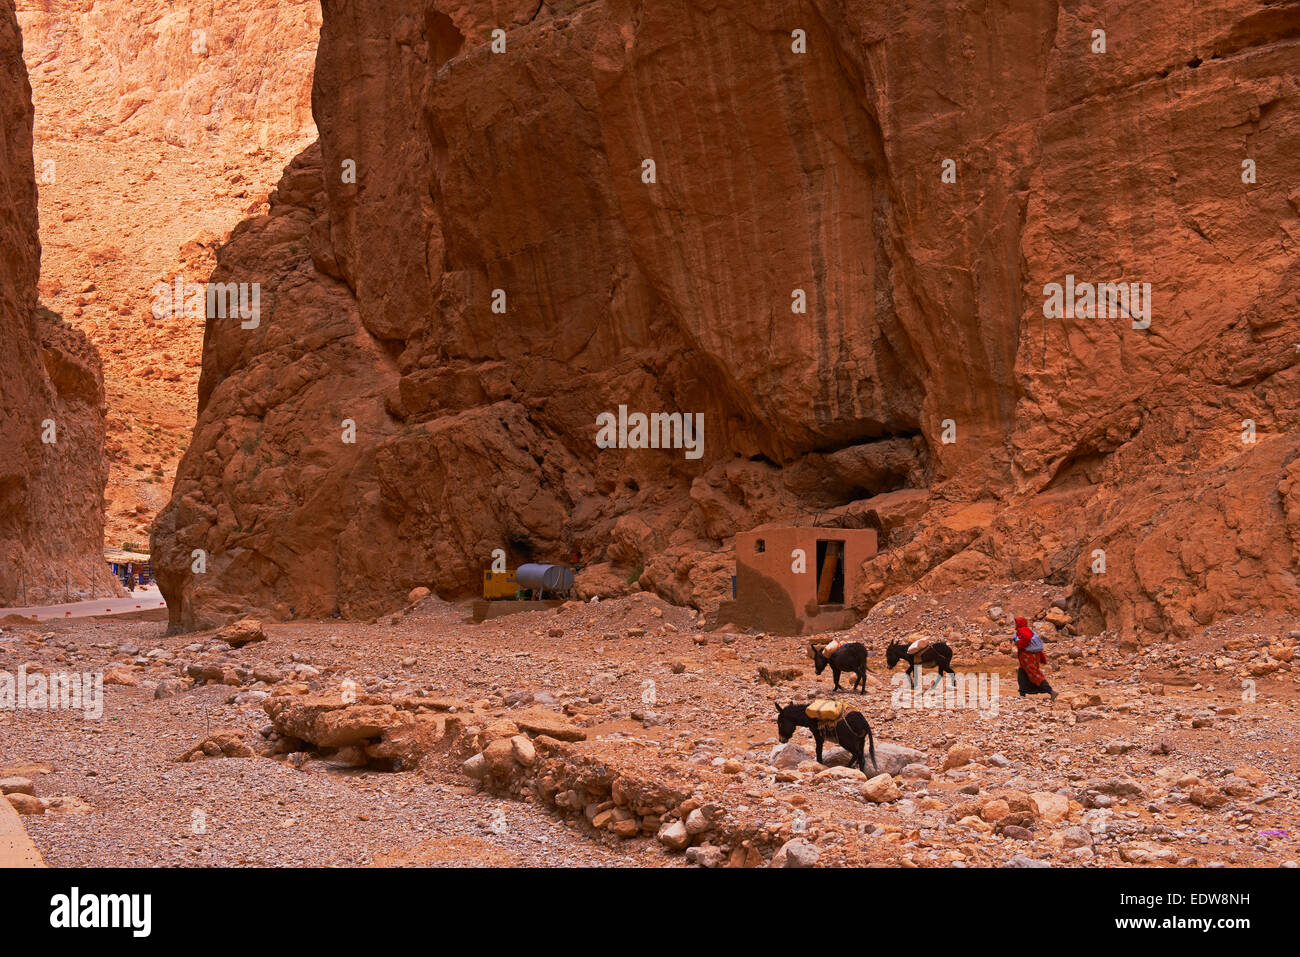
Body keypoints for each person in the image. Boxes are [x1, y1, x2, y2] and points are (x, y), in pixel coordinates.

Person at [1013, 616, 1057, 701]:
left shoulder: (1022, 630)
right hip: (1030, 657)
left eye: (1016, 623)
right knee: (1022, 674)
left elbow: (1026, 639)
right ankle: (1022, 694)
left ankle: (1051, 691)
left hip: (1027, 658)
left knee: (1035, 675)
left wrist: (1018, 643)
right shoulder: (1028, 630)